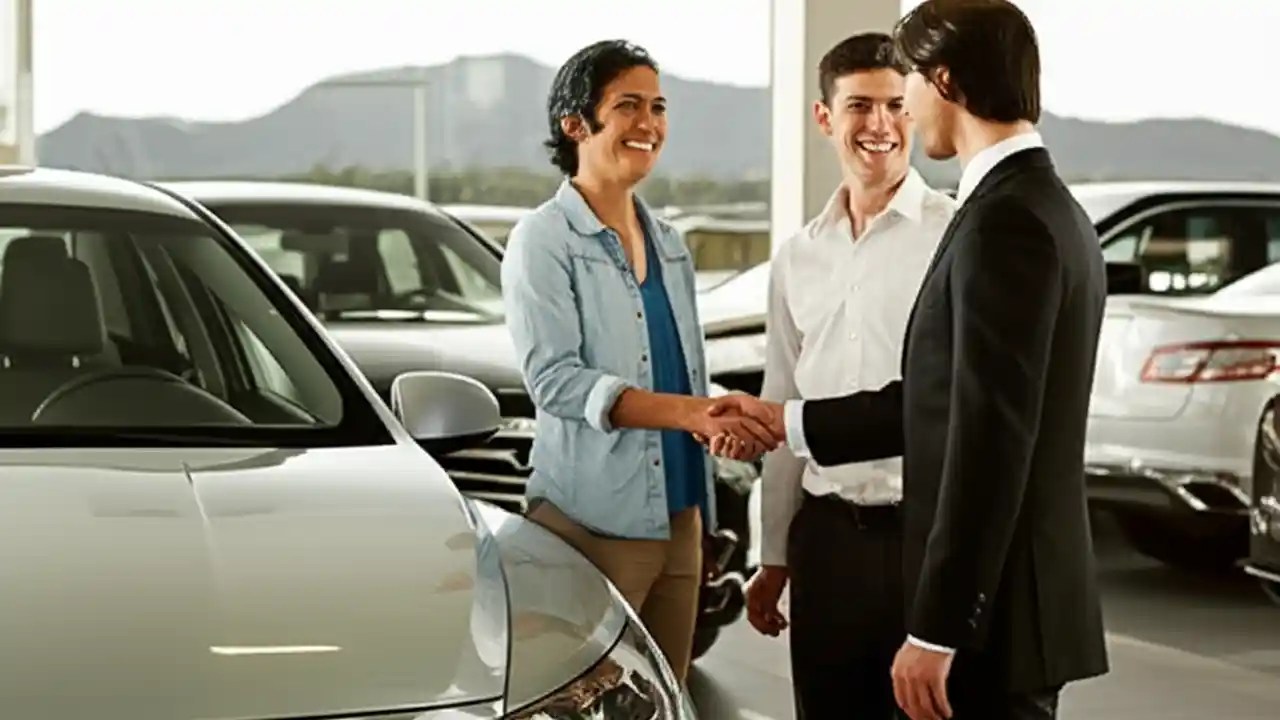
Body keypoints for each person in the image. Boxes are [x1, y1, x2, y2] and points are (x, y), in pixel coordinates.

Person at [708, 1, 1111, 717]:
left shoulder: (1000, 221)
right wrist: (784, 423)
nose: (903, 112)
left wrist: (937, 626)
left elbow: (989, 440)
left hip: (988, 614)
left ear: (944, 80)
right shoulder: (1041, 205)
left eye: (910, 86)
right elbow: (938, 402)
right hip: (977, 597)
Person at [499, 39, 777, 686]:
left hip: (680, 520)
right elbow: (556, 380)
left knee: (667, 697)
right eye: (628, 105)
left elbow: (684, 378)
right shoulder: (543, 239)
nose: (649, 123)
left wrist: (705, 497)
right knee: (581, 701)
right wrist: (695, 415)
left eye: (658, 106)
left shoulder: (671, 243)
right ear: (575, 124)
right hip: (591, 523)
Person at [744, 32, 956, 720]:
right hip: (828, 547)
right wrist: (772, 552)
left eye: (897, 105)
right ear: (824, 117)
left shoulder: (956, 237)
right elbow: (782, 402)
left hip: (929, 539)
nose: (881, 126)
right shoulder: (797, 257)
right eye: (859, 105)